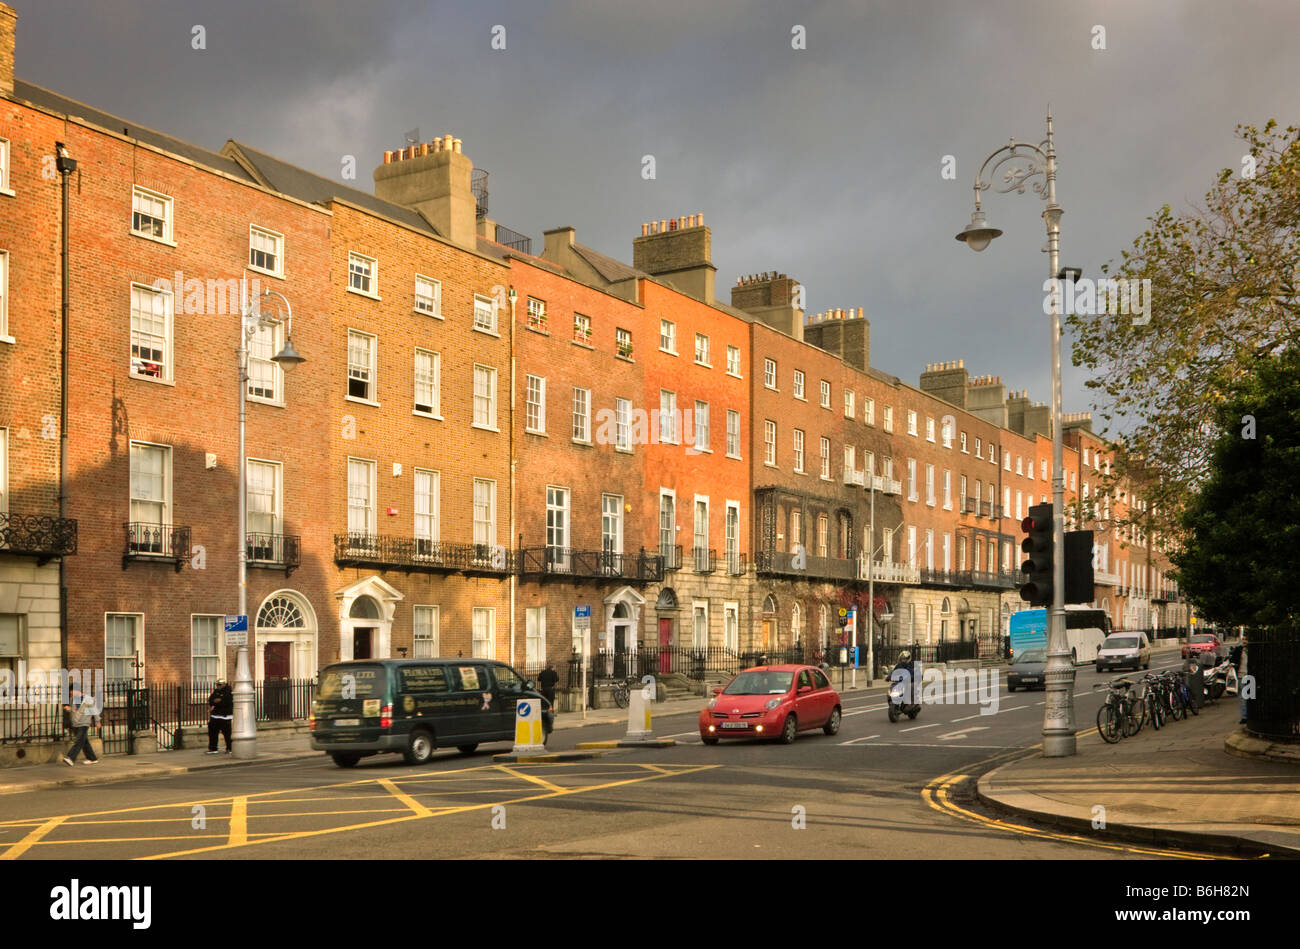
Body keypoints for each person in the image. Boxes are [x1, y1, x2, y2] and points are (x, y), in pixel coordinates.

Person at [61, 687, 100, 766]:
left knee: (78, 741)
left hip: (84, 723)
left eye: (71, 692)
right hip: (75, 723)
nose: (71, 694)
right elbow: (74, 710)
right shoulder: (73, 699)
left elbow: (94, 711)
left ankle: (71, 758)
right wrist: (68, 709)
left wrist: (97, 721)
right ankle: (92, 758)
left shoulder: (88, 699)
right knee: (84, 741)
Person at [207, 677, 234, 754]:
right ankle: (213, 748)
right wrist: (216, 701)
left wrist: (217, 701)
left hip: (225, 716)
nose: (218, 686)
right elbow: (211, 700)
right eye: (217, 684)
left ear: (224, 684)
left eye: (219, 684)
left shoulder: (229, 692)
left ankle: (229, 748)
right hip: (215, 715)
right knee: (212, 733)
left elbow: (226, 702)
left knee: (227, 734)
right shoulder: (216, 691)